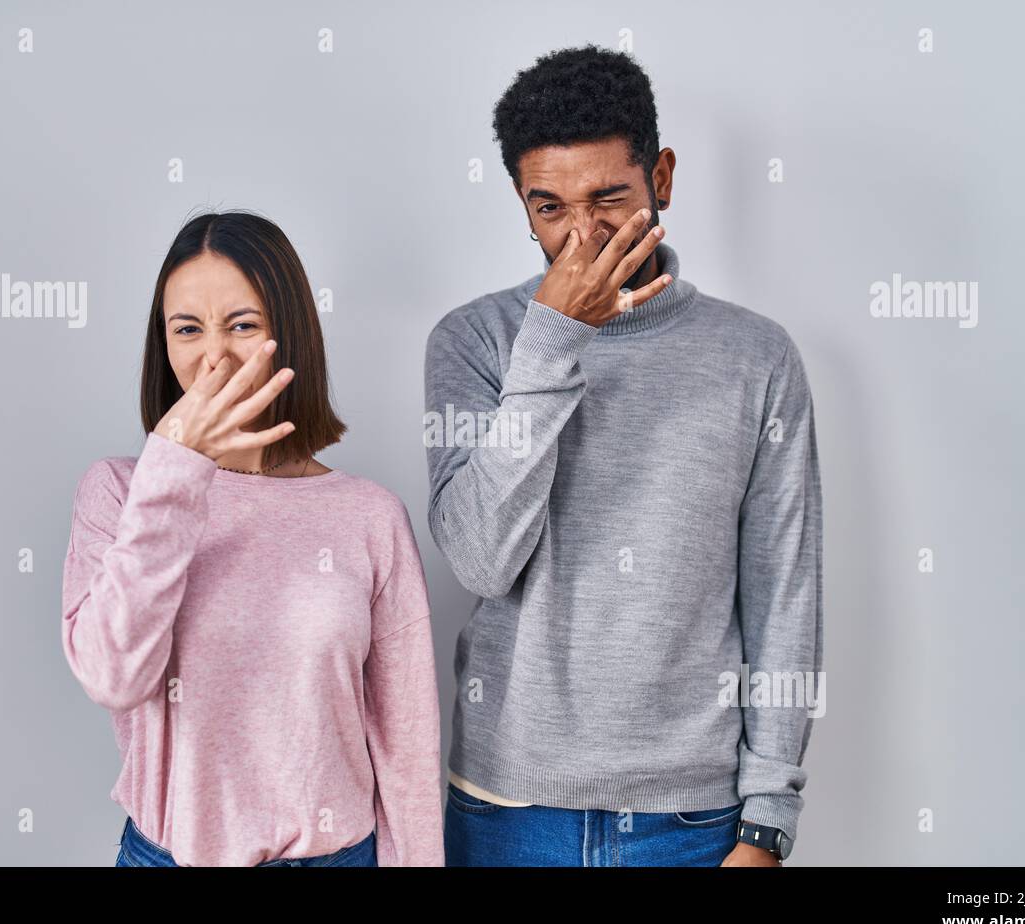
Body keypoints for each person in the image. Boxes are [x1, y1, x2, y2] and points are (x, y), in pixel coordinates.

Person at [424, 46, 823, 866]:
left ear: (662, 178)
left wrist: (768, 820)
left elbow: (784, 594)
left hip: (693, 819)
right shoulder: (475, 342)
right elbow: (476, 559)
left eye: (609, 197)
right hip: (508, 810)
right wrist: (552, 339)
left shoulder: (757, 356)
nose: (582, 235)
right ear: (520, 203)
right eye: (551, 208)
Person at [62, 211, 444, 866]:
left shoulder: (369, 516)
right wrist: (177, 467)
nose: (215, 355)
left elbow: (406, 751)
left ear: (287, 333)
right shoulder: (120, 493)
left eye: (243, 324)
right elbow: (113, 675)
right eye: (188, 328)